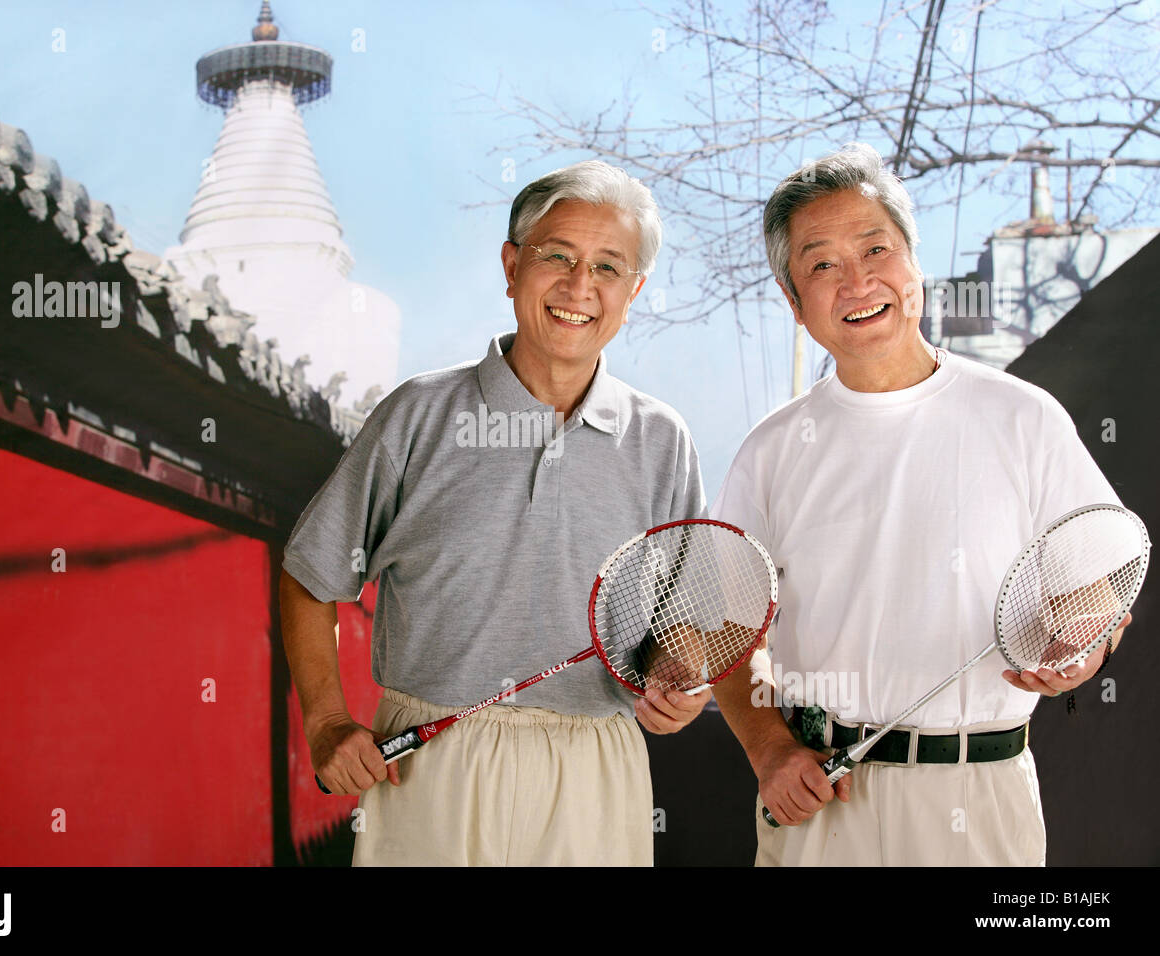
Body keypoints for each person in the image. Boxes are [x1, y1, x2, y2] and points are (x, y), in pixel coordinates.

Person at [709, 143, 1131, 866]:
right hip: (820, 802)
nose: (857, 280)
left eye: (876, 249)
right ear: (793, 300)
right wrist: (771, 748)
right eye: (821, 264)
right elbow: (728, 635)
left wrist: (1085, 647)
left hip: (978, 797)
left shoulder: (1023, 419)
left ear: (914, 264)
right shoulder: (771, 451)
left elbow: (1100, 589)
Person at [279, 160, 710, 866]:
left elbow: (679, 625)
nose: (579, 287)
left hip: (594, 765)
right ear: (512, 266)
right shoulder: (418, 416)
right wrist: (326, 721)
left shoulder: (662, 441)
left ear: (632, 293)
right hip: (429, 758)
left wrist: (678, 675)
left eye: (607, 268)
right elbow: (310, 576)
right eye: (557, 257)